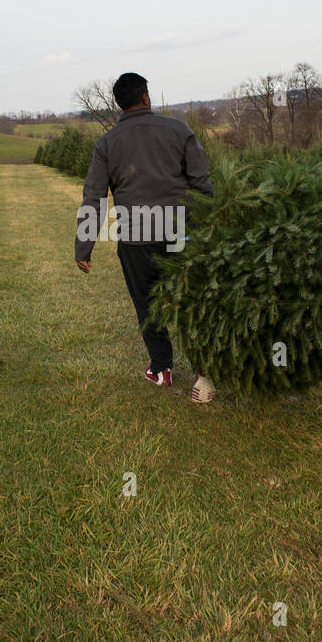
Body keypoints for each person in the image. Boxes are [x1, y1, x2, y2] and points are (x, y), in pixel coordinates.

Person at [75, 72, 215, 401]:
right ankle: (204, 373)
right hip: (181, 234)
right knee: (192, 303)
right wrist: (206, 227)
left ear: (119, 103)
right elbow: (201, 184)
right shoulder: (179, 130)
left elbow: (94, 196)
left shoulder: (107, 142)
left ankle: (162, 369)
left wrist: (84, 247)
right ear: (146, 97)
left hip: (136, 239)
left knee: (148, 305)